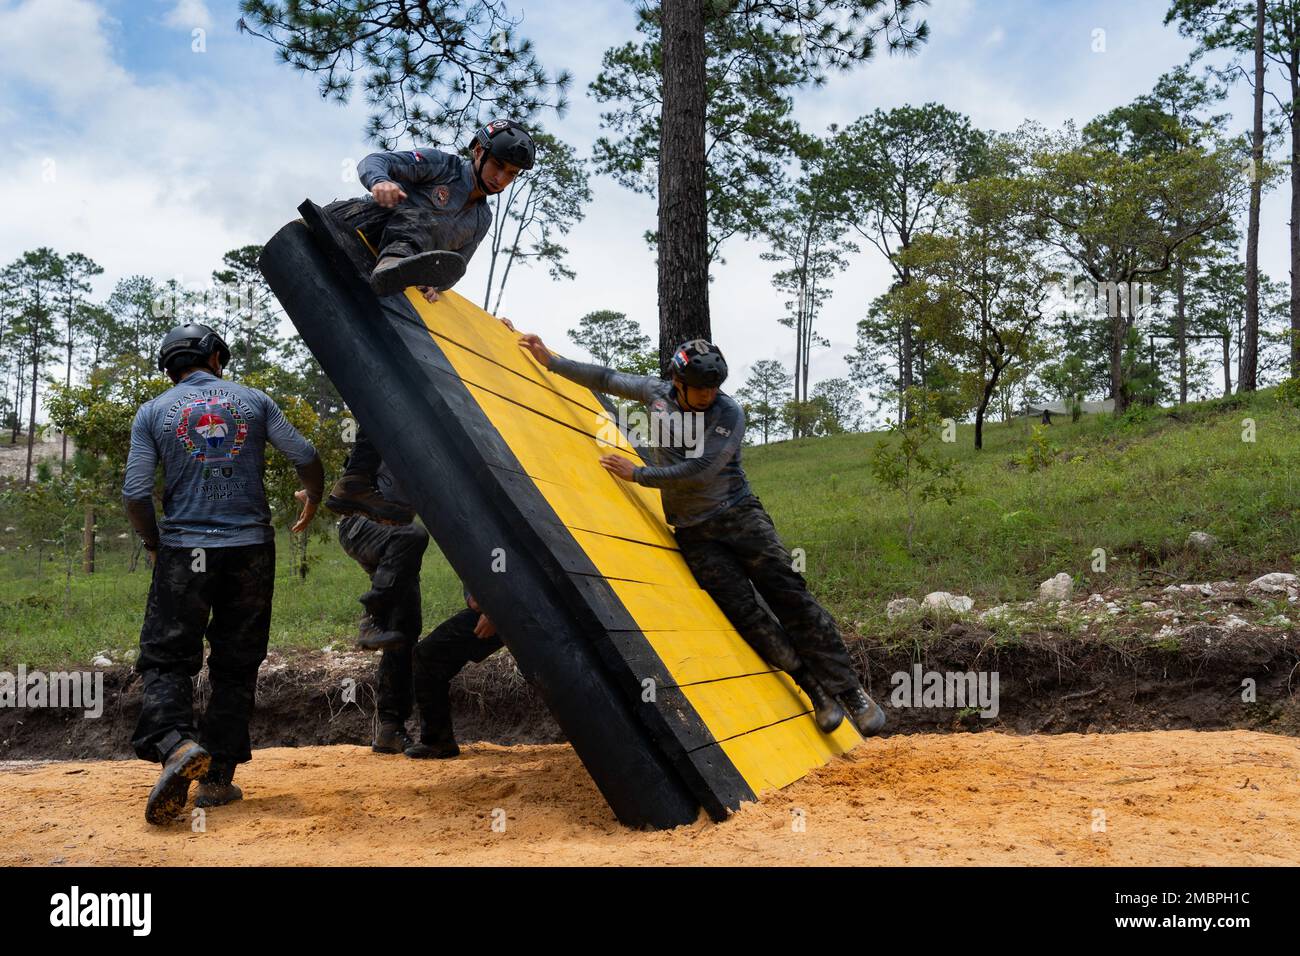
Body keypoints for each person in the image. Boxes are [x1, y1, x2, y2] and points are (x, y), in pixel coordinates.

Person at [516, 334, 886, 738]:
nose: (709, 394)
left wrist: (638, 474)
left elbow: (702, 470)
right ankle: (814, 690)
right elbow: (606, 377)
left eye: (714, 386)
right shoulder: (655, 394)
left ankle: (851, 693)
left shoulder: (729, 413)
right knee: (745, 613)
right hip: (694, 533)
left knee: (791, 597)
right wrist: (550, 360)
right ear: (678, 381)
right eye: (701, 387)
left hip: (740, 518)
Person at [123, 323, 324, 824]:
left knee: (167, 655)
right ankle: (217, 780)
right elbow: (305, 455)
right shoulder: (255, 400)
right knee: (236, 662)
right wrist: (313, 495)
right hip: (250, 548)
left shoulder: (152, 413)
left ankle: (174, 744)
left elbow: (135, 493)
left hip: (185, 549)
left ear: (170, 366)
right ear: (215, 357)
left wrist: (154, 543)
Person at [323, 118, 537, 524]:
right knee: (417, 215)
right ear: (478, 151)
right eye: (499, 167)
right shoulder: (441, 166)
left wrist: (436, 285)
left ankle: (357, 480)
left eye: (512, 174)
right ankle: (395, 260)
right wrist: (379, 183)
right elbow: (376, 160)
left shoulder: (481, 220)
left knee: (403, 379)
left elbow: (454, 266)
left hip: (391, 279)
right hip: (355, 228)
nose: (503, 179)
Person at [336, 460, 429, 754]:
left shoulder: (434, 447)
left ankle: (390, 727)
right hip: (361, 525)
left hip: (395, 537)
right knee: (413, 535)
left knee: (405, 626)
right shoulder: (381, 434)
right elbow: (349, 479)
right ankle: (371, 615)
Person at [406, 589, 502, 759]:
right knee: (429, 655)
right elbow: (474, 595)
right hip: (497, 609)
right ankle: (438, 741)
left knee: (428, 655)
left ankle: (438, 742)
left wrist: (497, 612)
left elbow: (521, 572)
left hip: (521, 610)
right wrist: (474, 598)